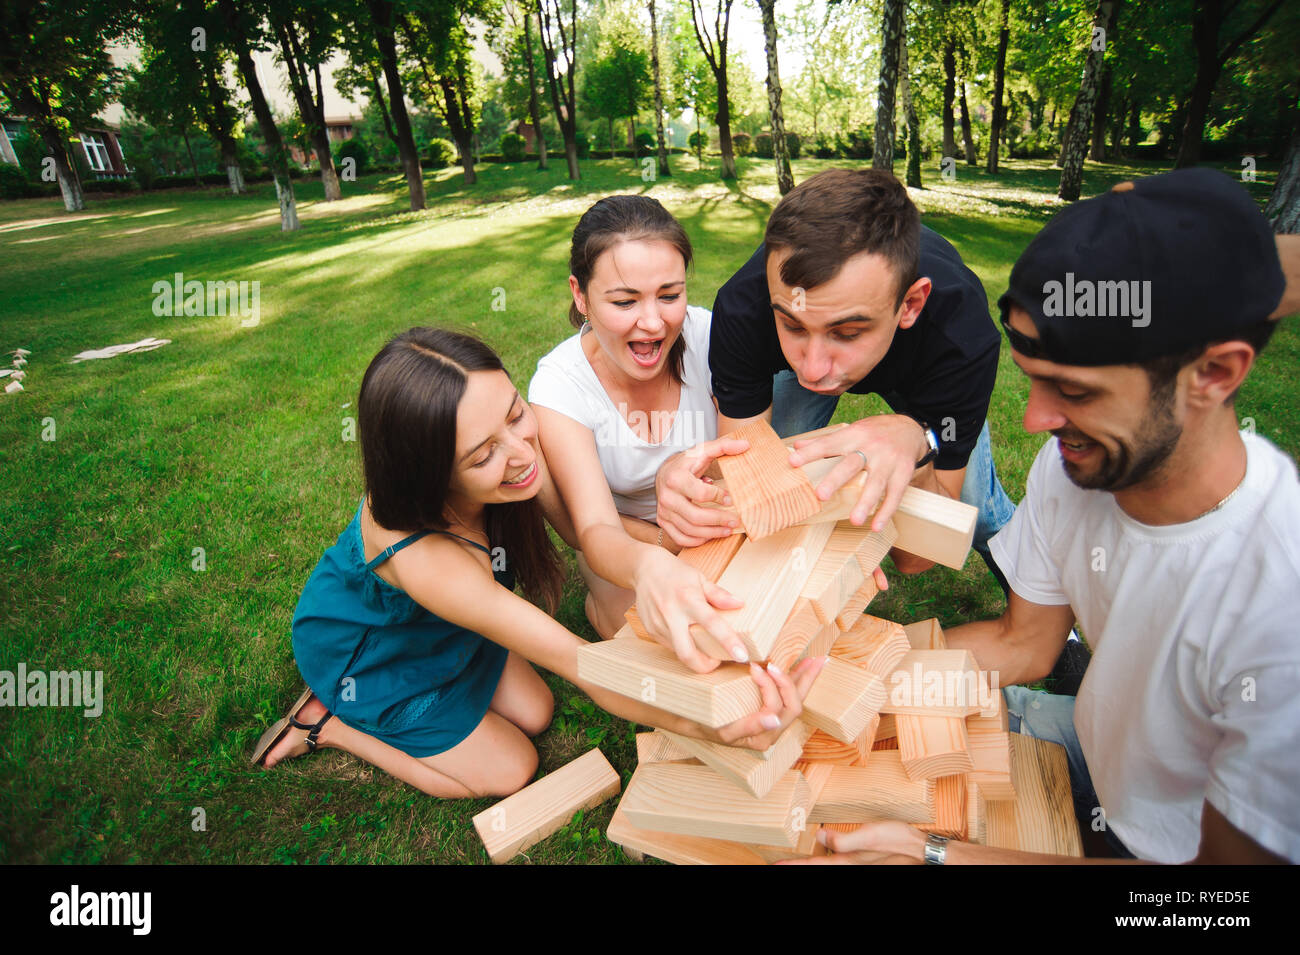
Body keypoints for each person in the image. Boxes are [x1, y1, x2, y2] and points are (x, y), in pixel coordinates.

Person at [797, 168, 1300, 865]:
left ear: (1213, 376)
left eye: (1074, 391)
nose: (1035, 420)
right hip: (1098, 752)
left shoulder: (1280, 612)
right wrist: (837, 674)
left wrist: (936, 855)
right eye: (1033, 377)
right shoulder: (1079, 467)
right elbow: (1022, 643)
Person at [252, 327, 822, 796]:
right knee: (511, 768)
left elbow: (586, 527)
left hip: (454, 624)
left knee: (538, 709)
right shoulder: (429, 560)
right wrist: (707, 720)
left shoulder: (508, 456)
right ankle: (331, 723)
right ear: (431, 475)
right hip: (374, 653)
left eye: (516, 414)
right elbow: (584, 664)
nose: (524, 454)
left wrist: (689, 537)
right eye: (483, 455)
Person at [529, 196, 887, 670]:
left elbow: (755, 463)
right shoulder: (560, 385)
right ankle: (603, 603)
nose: (654, 323)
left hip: (718, 521)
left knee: (786, 635)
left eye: (670, 295)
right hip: (627, 542)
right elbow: (594, 530)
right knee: (664, 649)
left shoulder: (714, 337)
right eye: (624, 301)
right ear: (580, 295)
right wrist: (655, 559)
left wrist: (819, 530)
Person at [655, 168, 1016, 594]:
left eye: (847, 333)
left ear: (910, 304)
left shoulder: (961, 337)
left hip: (927, 363)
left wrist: (916, 443)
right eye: (791, 326)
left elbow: (917, 559)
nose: (812, 370)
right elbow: (745, 484)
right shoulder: (744, 310)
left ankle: (1044, 613)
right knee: (771, 487)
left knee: (976, 506)